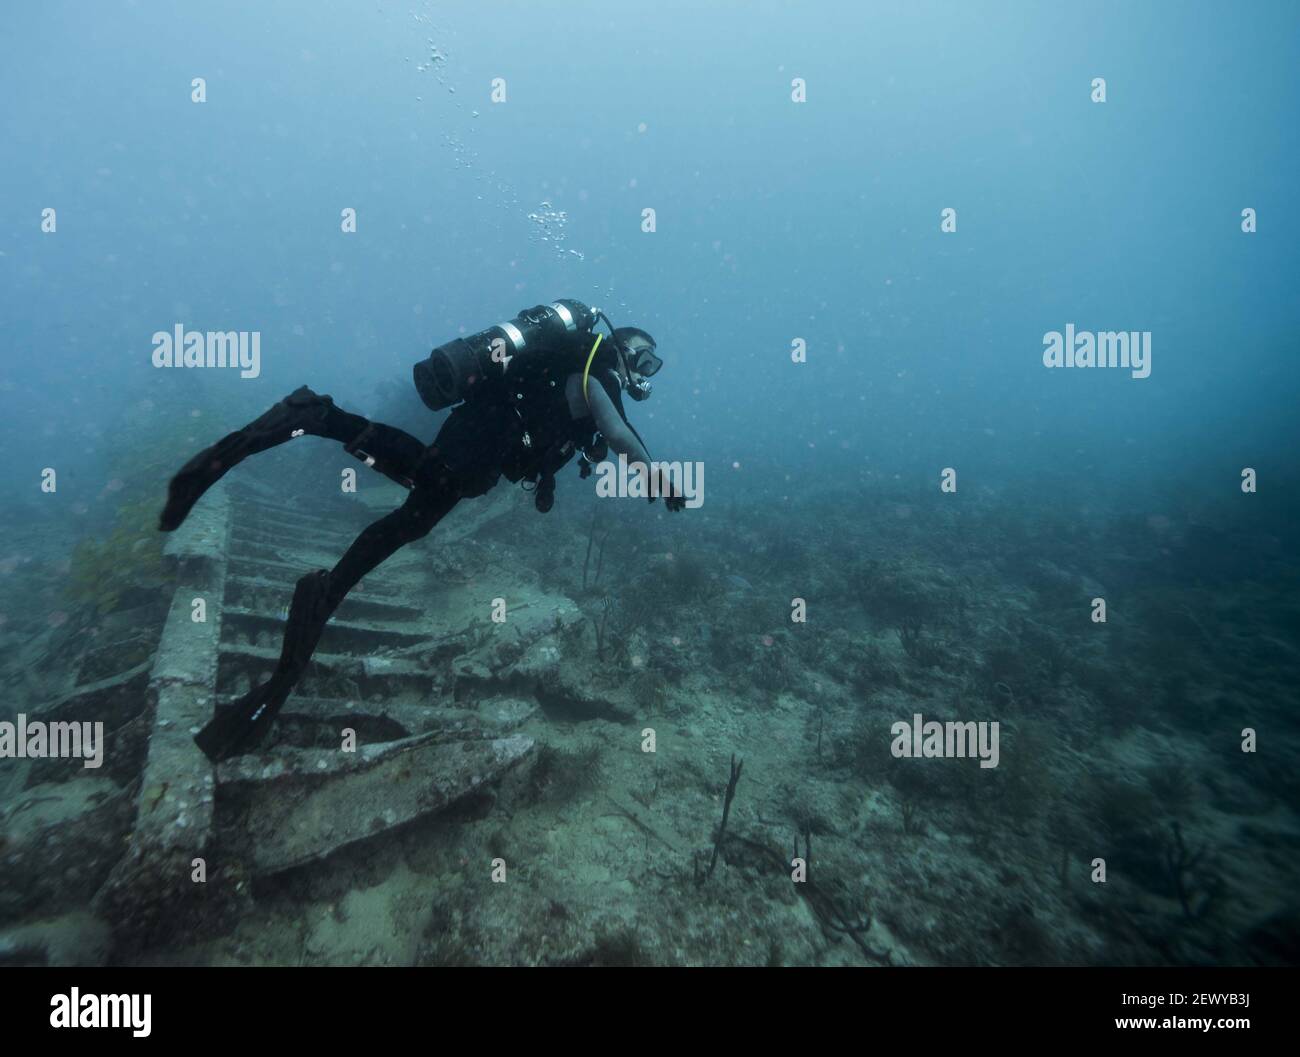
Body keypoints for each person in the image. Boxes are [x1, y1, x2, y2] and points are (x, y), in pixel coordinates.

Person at [160, 299, 684, 761]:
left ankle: (329, 587)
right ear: (618, 347)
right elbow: (621, 437)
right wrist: (661, 479)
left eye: (652, 365)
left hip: (487, 436)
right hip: (489, 435)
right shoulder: (597, 368)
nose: (646, 369)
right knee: (425, 486)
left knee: (411, 518)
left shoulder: (583, 373)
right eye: (643, 356)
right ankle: (319, 416)